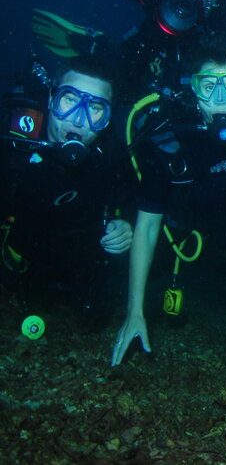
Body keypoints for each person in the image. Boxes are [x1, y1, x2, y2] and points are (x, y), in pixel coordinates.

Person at [111, 35, 226, 365]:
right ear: (192, 90)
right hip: (183, 240)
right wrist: (135, 311)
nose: (221, 99)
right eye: (208, 86)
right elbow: (148, 227)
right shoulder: (168, 141)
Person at [1, 56, 133, 325]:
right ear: (51, 99)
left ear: (108, 118)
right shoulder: (10, 139)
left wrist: (124, 226)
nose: (78, 120)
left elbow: (128, 202)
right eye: (70, 100)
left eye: (95, 107)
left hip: (69, 261)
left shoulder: (111, 157)